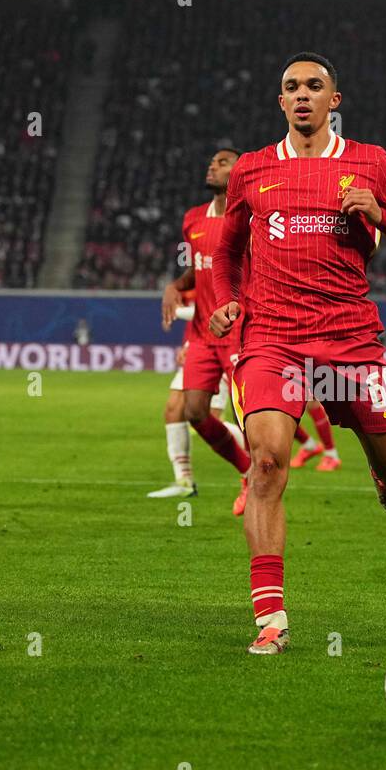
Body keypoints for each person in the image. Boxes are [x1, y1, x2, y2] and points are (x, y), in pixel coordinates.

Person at [210, 52, 386, 655]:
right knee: (267, 462)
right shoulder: (253, 172)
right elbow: (225, 250)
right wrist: (228, 300)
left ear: (334, 100)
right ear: (281, 103)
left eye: (315, 86)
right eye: (292, 88)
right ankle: (271, 618)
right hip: (272, 340)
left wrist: (383, 213)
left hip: (350, 342)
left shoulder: (371, 164)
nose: (303, 95)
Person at [148, 149, 251, 514]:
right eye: (212, 161)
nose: (213, 165)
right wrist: (175, 285)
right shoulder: (193, 219)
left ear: (239, 172)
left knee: (249, 417)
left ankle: (263, 481)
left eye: (223, 162)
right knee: (194, 411)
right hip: (203, 335)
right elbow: (197, 272)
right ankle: (248, 471)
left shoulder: (251, 218)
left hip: (241, 332)